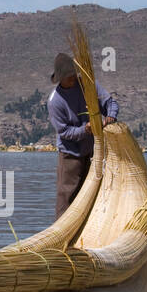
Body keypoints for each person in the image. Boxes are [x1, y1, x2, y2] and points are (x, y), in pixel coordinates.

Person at [46, 51, 118, 218]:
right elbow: (64, 132)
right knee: (67, 196)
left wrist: (110, 116)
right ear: (60, 78)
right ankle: (62, 233)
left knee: (93, 193)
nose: (73, 78)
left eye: (74, 74)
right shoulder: (55, 101)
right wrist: (84, 129)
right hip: (71, 154)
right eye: (69, 76)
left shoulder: (87, 84)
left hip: (94, 151)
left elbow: (109, 102)